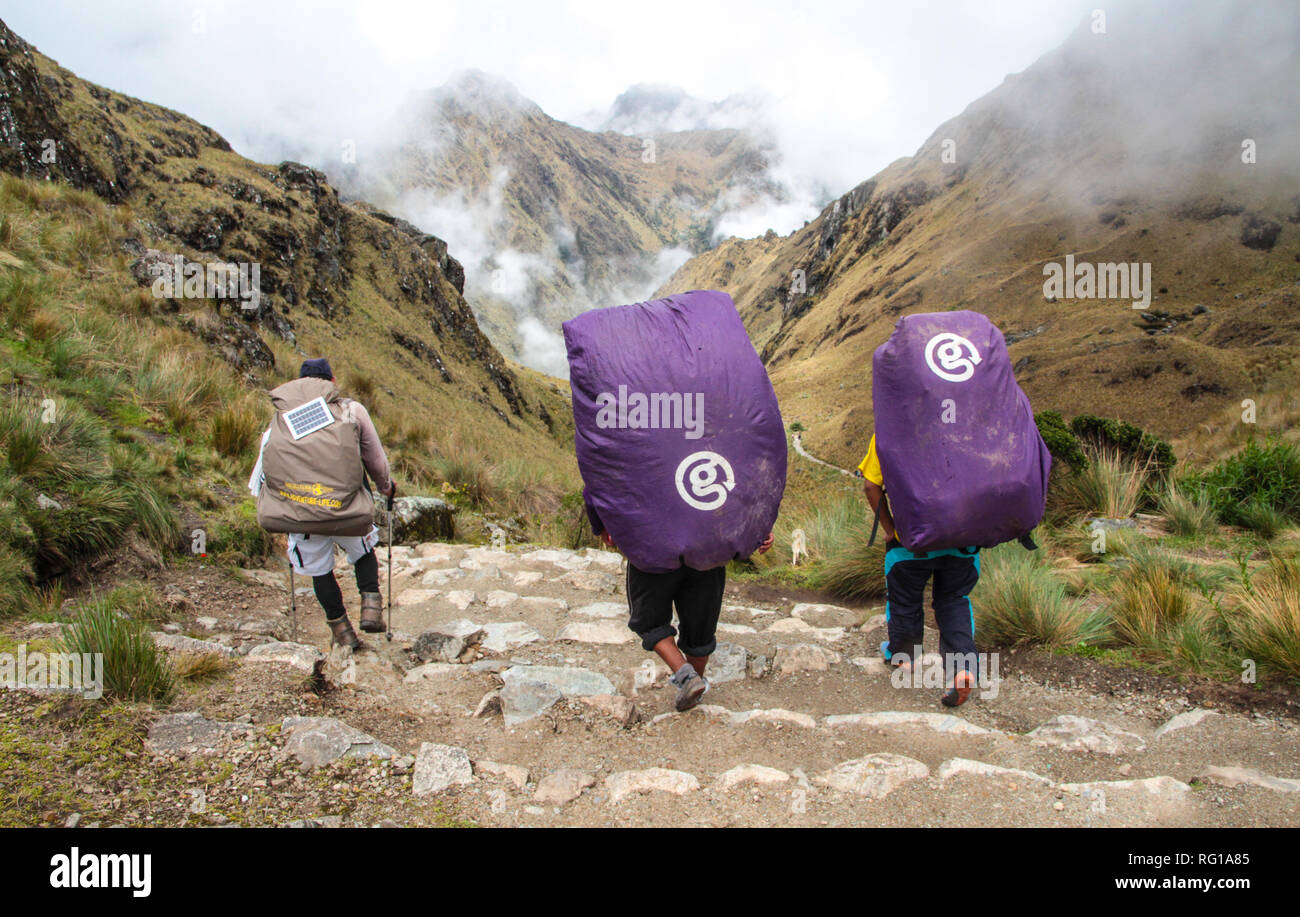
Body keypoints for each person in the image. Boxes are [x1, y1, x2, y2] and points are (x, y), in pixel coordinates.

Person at [247, 358, 396, 649]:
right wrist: (386, 488)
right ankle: (371, 607)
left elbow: (263, 471)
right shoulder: (351, 410)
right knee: (363, 550)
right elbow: (375, 459)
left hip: (299, 509)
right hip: (347, 506)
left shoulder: (281, 420)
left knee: (319, 569)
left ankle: (342, 633)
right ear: (332, 381)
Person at [590, 504, 773, 712]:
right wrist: (759, 524)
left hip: (652, 543)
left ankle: (687, 677)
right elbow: (742, 478)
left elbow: (601, 475)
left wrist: (603, 522)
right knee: (701, 627)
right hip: (707, 544)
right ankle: (694, 687)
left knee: (649, 623)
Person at [860, 434, 978, 707]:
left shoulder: (892, 425)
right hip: (962, 537)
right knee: (954, 601)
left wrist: (890, 529)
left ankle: (904, 658)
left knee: (904, 598)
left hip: (910, 539)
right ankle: (963, 668)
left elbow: (870, 486)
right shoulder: (966, 423)